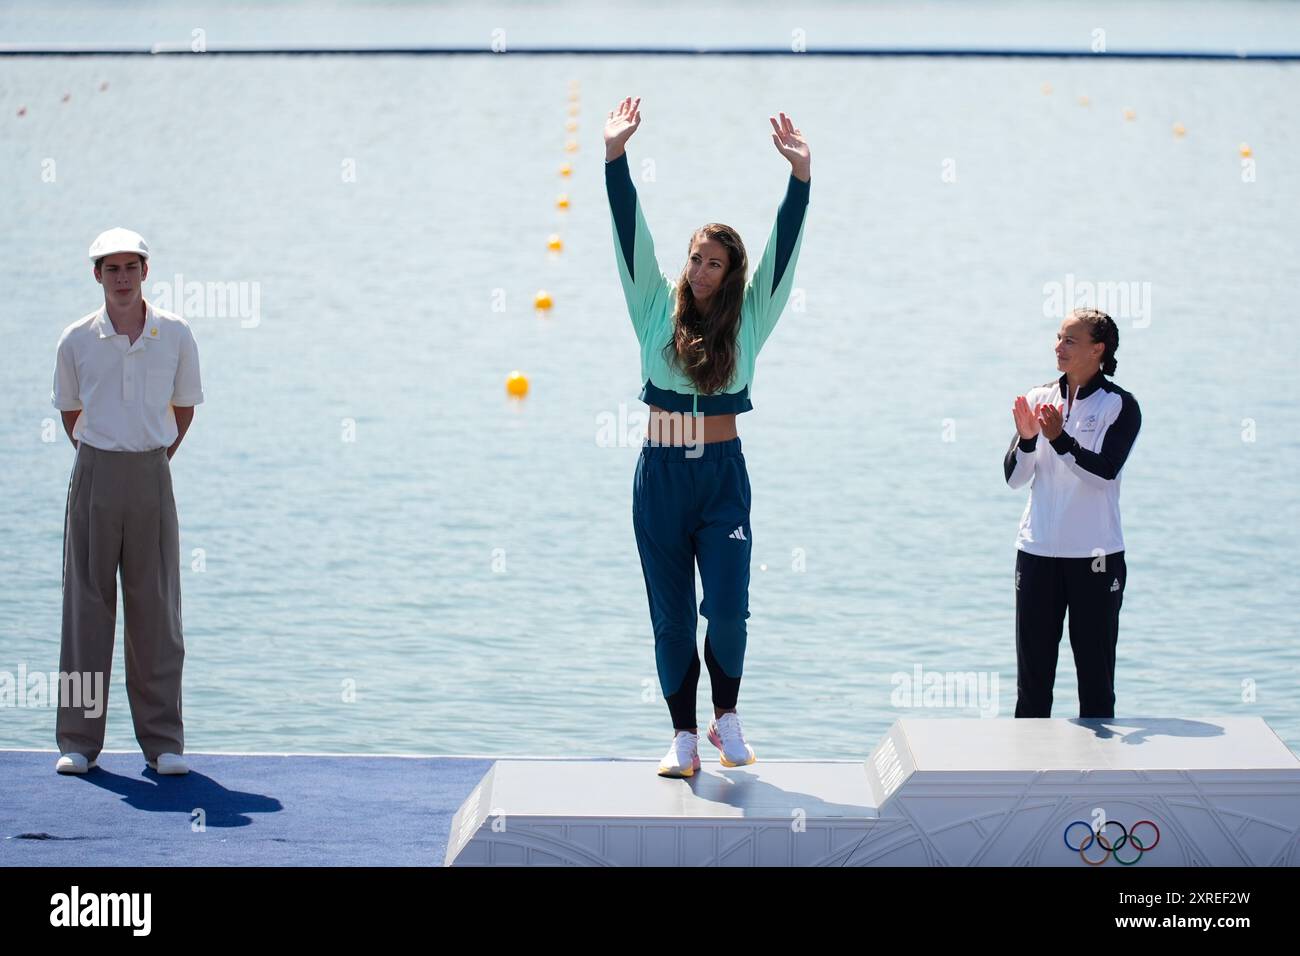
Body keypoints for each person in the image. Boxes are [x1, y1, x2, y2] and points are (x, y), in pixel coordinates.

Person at [604, 96, 811, 777]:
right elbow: (628, 229)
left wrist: (799, 180)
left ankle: (726, 718)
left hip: (721, 475)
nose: (699, 270)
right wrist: (615, 157)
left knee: (727, 608)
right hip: (660, 476)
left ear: (732, 274)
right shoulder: (652, 306)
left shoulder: (752, 319)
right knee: (670, 617)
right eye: (696, 258)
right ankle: (683, 738)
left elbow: (784, 252)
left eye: (714, 263)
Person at [50, 227, 204, 775]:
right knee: (86, 611)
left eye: (130, 268)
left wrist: (150, 460)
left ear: (145, 271)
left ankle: (163, 743)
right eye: (110, 269)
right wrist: (104, 456)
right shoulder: (75, 339)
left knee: (156, 611)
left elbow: (183, 409)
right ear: (97, 275)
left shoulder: (177, 334)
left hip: (151, 474)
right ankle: (78, 741)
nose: (121, 278)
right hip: (94, 472)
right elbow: (71, 413)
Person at [1004, 307, 1140, 719]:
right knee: (1032, 688)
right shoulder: (1037, 398)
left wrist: (1060, 439)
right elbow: (1013, 478)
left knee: (1096, 685)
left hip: (1096, 560)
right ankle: (1025, 777)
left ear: (1098, 350)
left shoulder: (1120, 406)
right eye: (1059, 338)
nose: (1058, 347)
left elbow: (1103, 473)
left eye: (1070, 340)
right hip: (1037, 554)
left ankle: (1100, 780)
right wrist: (1029, 441)